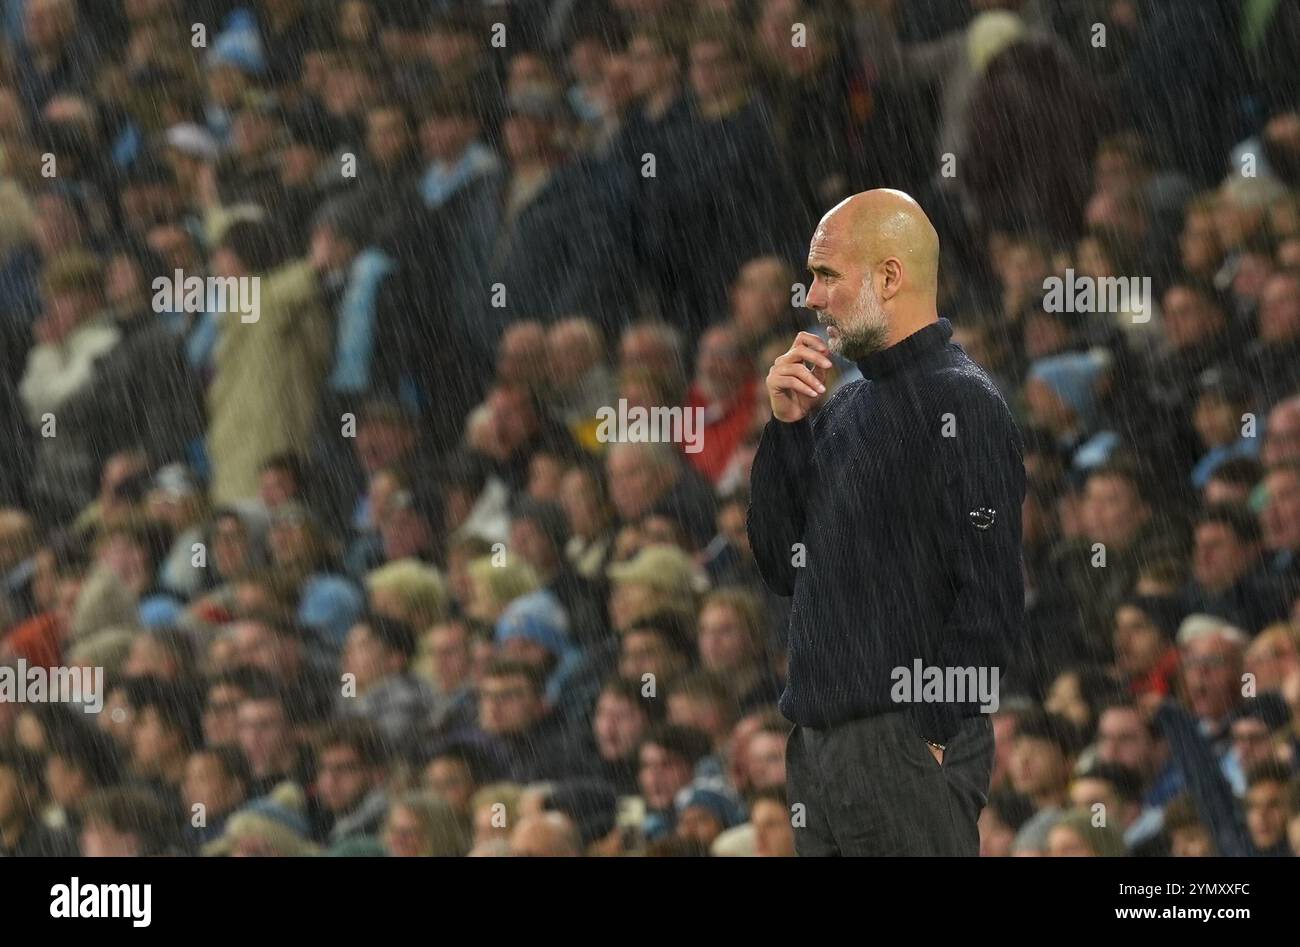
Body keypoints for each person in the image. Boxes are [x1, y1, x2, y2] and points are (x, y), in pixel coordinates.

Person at [748, 189, 1025, 856]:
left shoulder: (965, 403)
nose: (812, 297)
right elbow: (780, 562)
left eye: (827, 275)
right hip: (818, 748)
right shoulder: (843, 408)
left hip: (899, 743)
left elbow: (991, 597)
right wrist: (786, 430)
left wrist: (930, 732)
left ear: (890, 276)